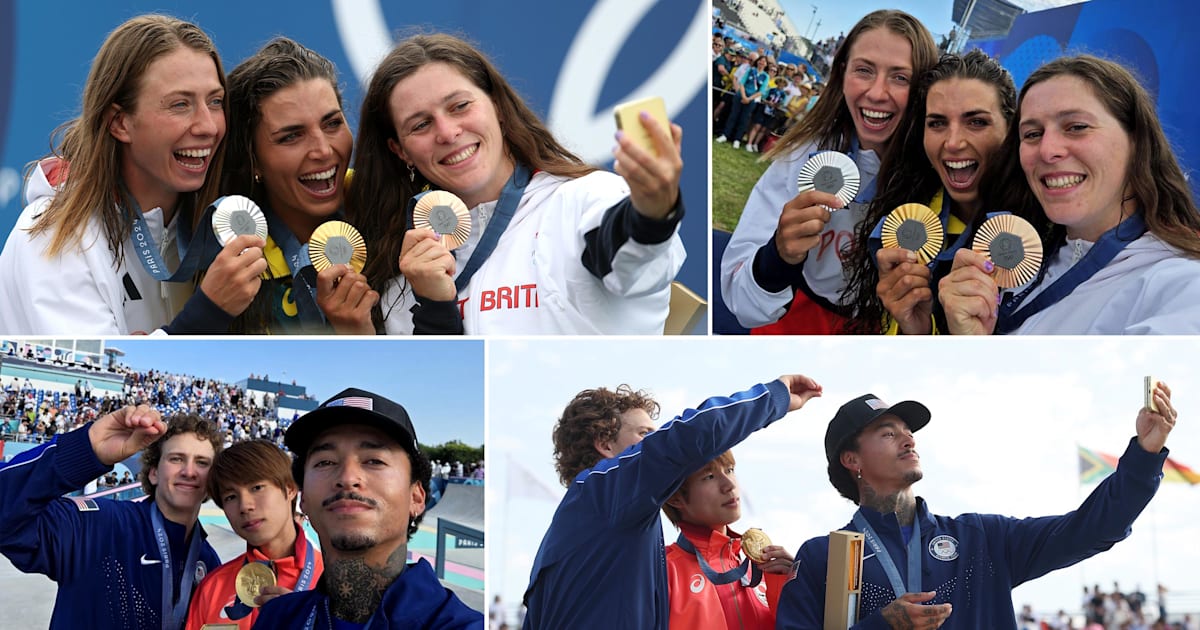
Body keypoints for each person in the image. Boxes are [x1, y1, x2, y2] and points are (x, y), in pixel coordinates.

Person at [347, 33, 686, 335]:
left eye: (460, 106)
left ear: (497, 105)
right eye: (421, 124)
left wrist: (652, 211)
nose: (448, 132)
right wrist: (434, 306)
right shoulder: (402, 269)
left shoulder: (583, 198)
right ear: (400, 150)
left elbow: (633, 258)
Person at [776, 382, 1178, 629]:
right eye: (887, 433)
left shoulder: (980, 538)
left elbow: (1093, 529)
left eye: (908, 432)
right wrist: (881, 627)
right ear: (852, 461)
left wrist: (1146, 452)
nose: (908, 440)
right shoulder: (823, 557)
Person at [0, 14, 263, 335]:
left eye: (215, 101)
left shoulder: (210, 226)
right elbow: (95, 383)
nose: (208, 126)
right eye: (180, 104)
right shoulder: (55, 235)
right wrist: (207, 313)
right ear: (119, 122)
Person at [522, 375, 823, 628]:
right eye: (645, 434)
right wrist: (773, 398)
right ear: (605, 445)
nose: (657, 441)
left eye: (730, 470)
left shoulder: (574, 528)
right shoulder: (603, 491)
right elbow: (684, 438)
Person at [939, 55, 1200, 334]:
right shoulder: (1033, 257)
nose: (1047, 150)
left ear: (1136, 140)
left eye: (1076, 127)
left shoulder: (1180, 286)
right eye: (1032, 133)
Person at [721, 10, 939, 334]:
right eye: (864, 70)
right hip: (794, 321)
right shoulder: (802, 155)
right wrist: (777, 256)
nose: (878, 93)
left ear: (923, 88)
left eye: (900, 77)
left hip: (883, 333)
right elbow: (739, 297)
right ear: (841, 72)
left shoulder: (937, 176)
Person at [254, 388, 480, 627]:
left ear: (416, 497)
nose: (348, 477)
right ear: (303, 500)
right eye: (326, 462)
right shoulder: (277, 618)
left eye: (374, 460)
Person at [842, 50, 1018, 334]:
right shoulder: (904, 210)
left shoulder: (1037, 243)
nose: (952, 142)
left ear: (1010, 130)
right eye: (937, 123)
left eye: (976, 122)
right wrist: (915, 329)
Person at [0, 406, 224, 629]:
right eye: (176, 459)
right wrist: (86, 449)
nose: (189, 471)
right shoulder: (96, 526)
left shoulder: (211, 564)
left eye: (202, 463)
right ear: (154, 472)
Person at [221, 37, 379, 334]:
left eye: (332, 124)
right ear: (252, 160)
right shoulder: (230, 255)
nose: (323, 150)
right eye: (291, 136)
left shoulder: (396, 217)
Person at [184, 439, 323, 629]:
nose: (245, 506)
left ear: (290, 489)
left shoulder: (334, 582)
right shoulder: (212, 588)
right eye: (231, 497)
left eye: (257, 488)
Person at [662, 450, 794, 629]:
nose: (729, 485)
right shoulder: (662, 572)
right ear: (675, 498)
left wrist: (792, 588)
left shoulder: (765, 566)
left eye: (730, 470)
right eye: (709, 476)